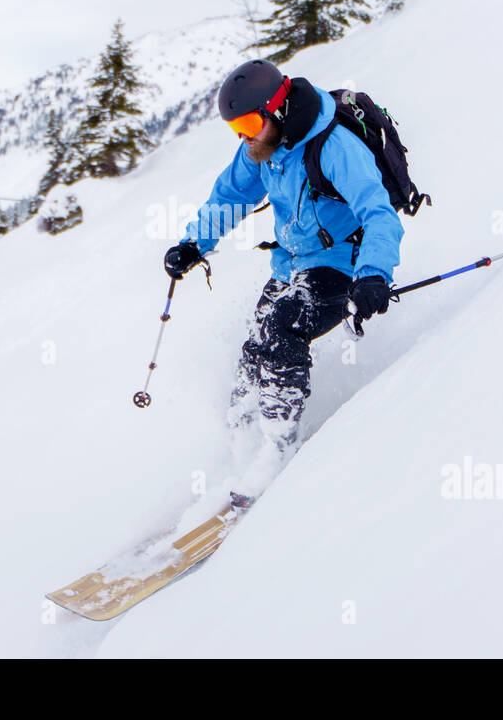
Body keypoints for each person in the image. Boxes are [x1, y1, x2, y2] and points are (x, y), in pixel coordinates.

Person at [163, 59, 404, 507]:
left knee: (280, 333)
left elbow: (378, 213)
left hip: (343, 265)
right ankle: (241, 444)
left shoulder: (333, 146)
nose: (243, 135)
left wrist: (374, 274)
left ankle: (276, 449)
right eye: (235, 126)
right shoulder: (262, 146)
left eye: (249, 122)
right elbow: (231, 195)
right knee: (254, 348)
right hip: (292, 263)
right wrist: (194, 244)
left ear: (277, 108)